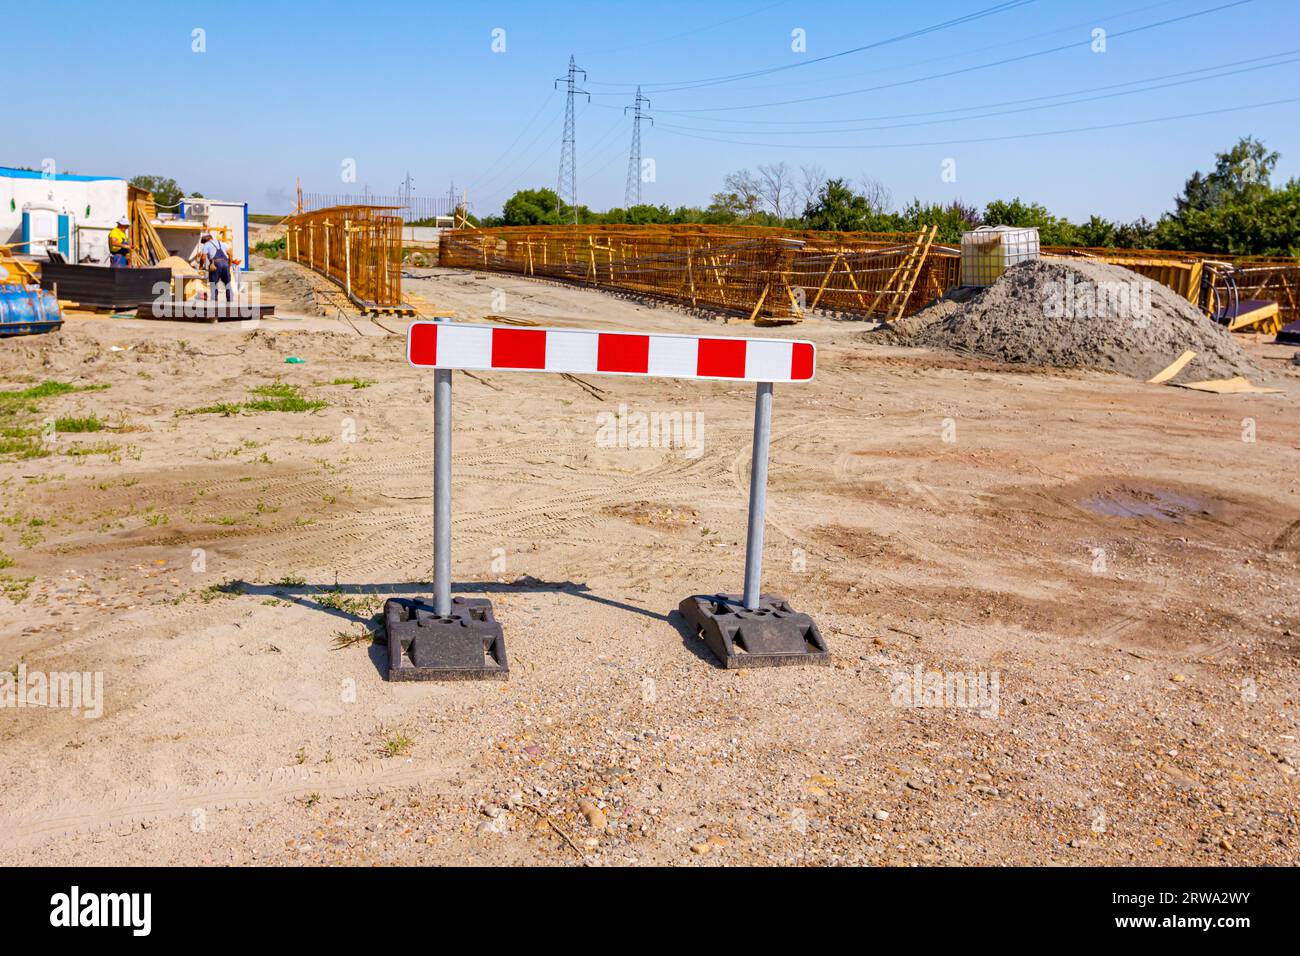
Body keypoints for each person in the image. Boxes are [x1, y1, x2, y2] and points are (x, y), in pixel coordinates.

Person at [194, 231, 233, 302]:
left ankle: (214, 301)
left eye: (204, 243)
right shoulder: (222, 243)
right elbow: (230, 254)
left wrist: (200, 266)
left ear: (206, 241)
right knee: (227, 283)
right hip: (225, 263)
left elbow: (203, 257)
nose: (204, 244)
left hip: (215, 264)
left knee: (213, 283)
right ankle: (230, 300)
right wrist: (229, 265)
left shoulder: (207, 244)